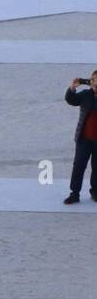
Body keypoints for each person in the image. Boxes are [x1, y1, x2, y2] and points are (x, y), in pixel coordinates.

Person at [64, 71, 97, 204]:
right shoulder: (85, 95)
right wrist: (72, 88)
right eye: (94, 79)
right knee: (78, 165)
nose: (95, 82)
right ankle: (74, 193)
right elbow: (71, 100)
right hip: (84, 138)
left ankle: (95, 192)